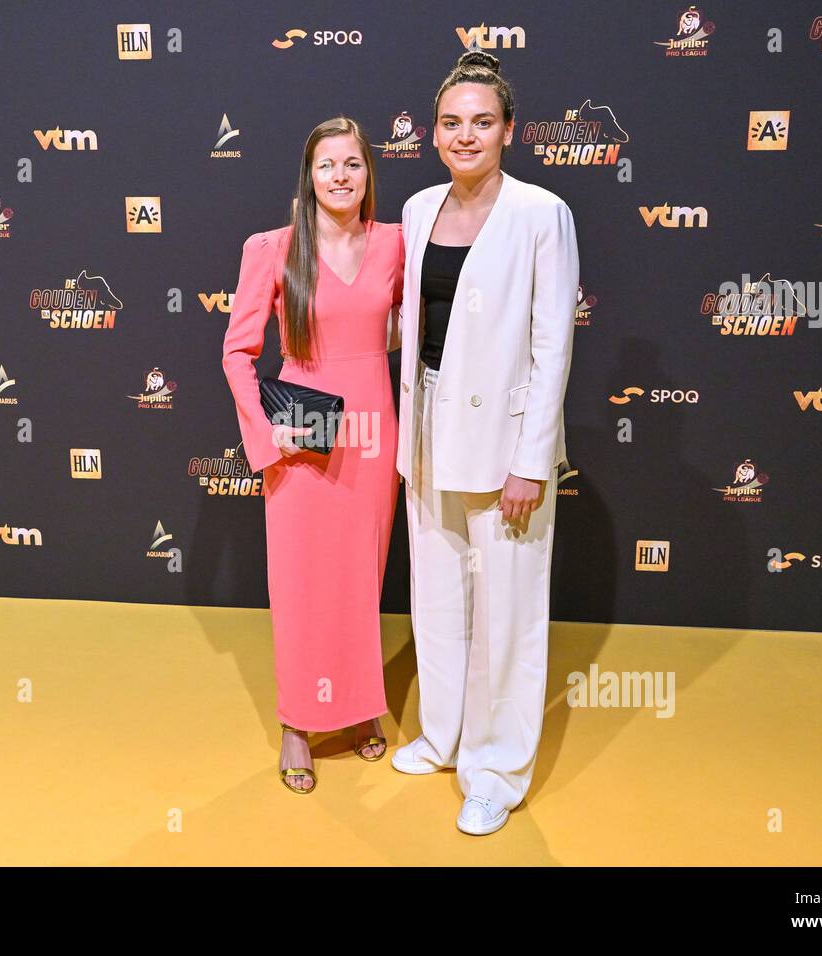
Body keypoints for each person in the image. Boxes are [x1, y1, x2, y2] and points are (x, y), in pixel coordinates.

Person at [391, 50, 581, 833]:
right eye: (450, 123)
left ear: (509, 130)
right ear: (433, 133)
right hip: (429, 425)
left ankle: (496, 771)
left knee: (506, 610)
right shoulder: (416, 206)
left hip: (505, 442)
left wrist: (530, 462)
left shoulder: (543, 213)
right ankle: (444, 736)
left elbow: (552, 346)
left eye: (481, 122)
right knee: (436, 594)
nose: (464, 135)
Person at [221, 117, 405, 794]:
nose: (340, 177)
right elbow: (237, 353)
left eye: (353, 164)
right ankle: (298, 721)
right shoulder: (272, 248)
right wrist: (270, 437)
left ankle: (357, 706)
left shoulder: (396, 244)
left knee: (362, 579)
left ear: (368, 175)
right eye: (327, 165)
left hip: (373, 436)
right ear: (309, 175)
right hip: (301, 438)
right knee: (301, 583)